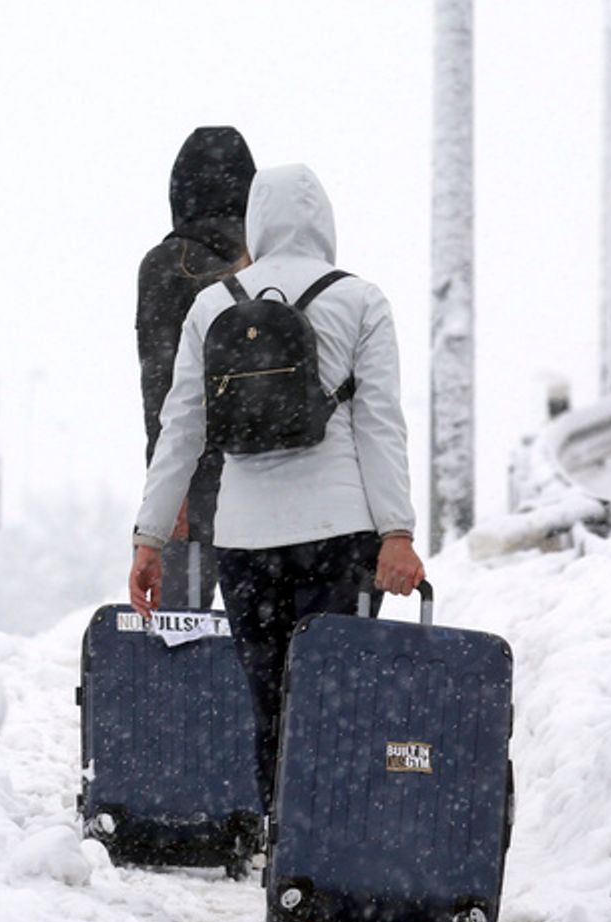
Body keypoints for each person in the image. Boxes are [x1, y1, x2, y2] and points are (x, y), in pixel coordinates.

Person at [128, 163, 426, 821]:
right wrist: (396, 533)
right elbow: (380, 424)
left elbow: (182, 427)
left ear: (256, 221)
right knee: (335, 703)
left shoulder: (212, 304)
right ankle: (329, 849)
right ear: (325, 221)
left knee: (268, 703)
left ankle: (281, 847)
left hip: (245, 541)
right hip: (341, 537)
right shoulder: (361, 299)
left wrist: (149, 538)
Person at [135, 127, 257, 610]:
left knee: (182, 640)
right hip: (275, 476)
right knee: (264, 644)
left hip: (196, 473)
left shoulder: (169, 264)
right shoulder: (268, 260)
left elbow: (161, 386)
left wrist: (165, 492)